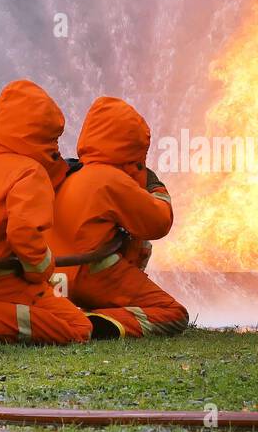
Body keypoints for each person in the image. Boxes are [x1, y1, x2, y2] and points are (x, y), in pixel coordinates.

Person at [0, 80, 93, 344]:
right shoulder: (30, 173)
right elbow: (23, 233)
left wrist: (60, 170)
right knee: (78, 327)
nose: (56, 146)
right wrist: (42, 272)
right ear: (39, 136)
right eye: (53, 139)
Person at [51, 96, 188, 339]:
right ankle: (98, 324)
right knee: (172, 313)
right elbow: (158, 223)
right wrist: (156, 188)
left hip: (57, 279)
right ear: (132, 146)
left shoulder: (72, 174)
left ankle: (85, 315)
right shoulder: (113, 180)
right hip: (95, 275)